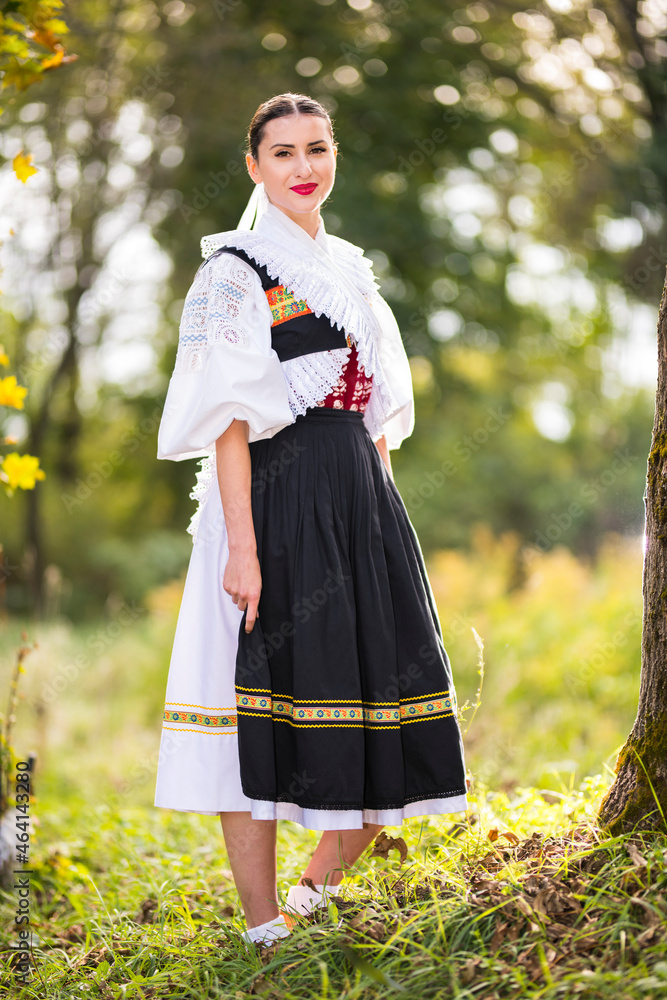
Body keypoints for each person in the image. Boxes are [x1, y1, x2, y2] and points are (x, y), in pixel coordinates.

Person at [154, 92, 469, 947]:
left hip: (361, 504)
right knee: (248, 715)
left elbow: (374, 417)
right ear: (253, 166)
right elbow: (227, 422)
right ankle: (262, 928)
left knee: (386, 706)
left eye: (317, 149)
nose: (303, 167)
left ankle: (308, 899)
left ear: (334, 157)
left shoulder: (351, 271)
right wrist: (243, 549)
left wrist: (384, 525)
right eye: (283, 152)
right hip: (273, 501)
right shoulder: (233, 271)